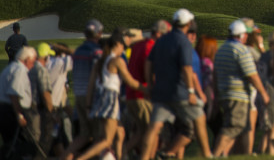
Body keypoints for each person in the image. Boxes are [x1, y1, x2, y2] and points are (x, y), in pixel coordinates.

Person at [140, 9, 203, 160]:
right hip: (178, 93)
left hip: (160, 92)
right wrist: (191, 91)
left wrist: (149, 84)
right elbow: (187, 69)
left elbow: (148, 63)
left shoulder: (162, 40)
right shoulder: (183, 41)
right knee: (194, 123)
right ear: (187, 24)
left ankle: (145, 157)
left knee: (154, 127)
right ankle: (206, 153)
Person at [75, 31, 144, 160]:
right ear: (117, 44)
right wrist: (147, 89)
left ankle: (118, 157)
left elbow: (91, 87)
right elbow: (131, 82)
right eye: (123, 45)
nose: (124, 48)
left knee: (117, 133)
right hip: (110, 100)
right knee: (107, 141)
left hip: (99, 100)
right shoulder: (117, 61)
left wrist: (89, 105)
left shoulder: (100, 62)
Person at [213, 20, 270, 157]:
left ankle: (232, 154)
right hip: (237, 94)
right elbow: (252, 75)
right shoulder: (240, 50)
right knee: (234, 127)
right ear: (242, 36)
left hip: (224, 93)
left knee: (238, 126)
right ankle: (215, 155)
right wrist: (263, 93)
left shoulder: (221, 49)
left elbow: (215, 75)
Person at [0, 45, 36, 152]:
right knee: (17, 145)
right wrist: (19, 115)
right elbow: (14, 94)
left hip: (4, 109)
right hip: (10, 111)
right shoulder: (20, 70)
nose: (33, 65)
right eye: (33, 61)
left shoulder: (11, 67)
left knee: (10, 143)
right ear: (27, 59)